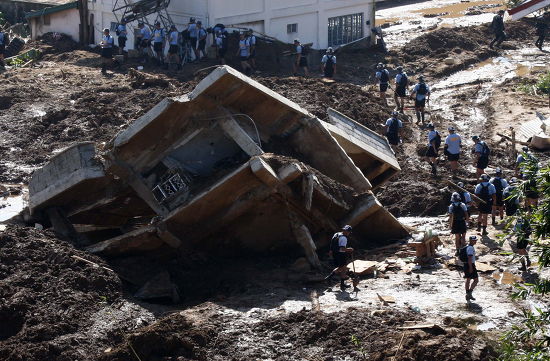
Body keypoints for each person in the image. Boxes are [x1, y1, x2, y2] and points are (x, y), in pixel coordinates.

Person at [326, 225, 358, 292]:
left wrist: (331, 251)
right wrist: (350, 249)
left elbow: (332, 243)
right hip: (340, 254)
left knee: (343, 268)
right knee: (342, 268)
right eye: (345, 230)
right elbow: (342, 248)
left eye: (346, 231)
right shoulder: (344, 238)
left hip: (335, 253)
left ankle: (342, 284)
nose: (345, 232)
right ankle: (329, 277)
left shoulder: (336, 234)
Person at [464, 235, 479, 301]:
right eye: (474, 240)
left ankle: (468, 294)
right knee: (476, 280)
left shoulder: (468, 247)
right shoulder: (470, 248)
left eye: (475, 240)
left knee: (468, 279)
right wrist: (471, 267)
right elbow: (469, 258)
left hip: (467, 265)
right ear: (471, 241)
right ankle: (469, 293)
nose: (475, 241)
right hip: (470, 265)